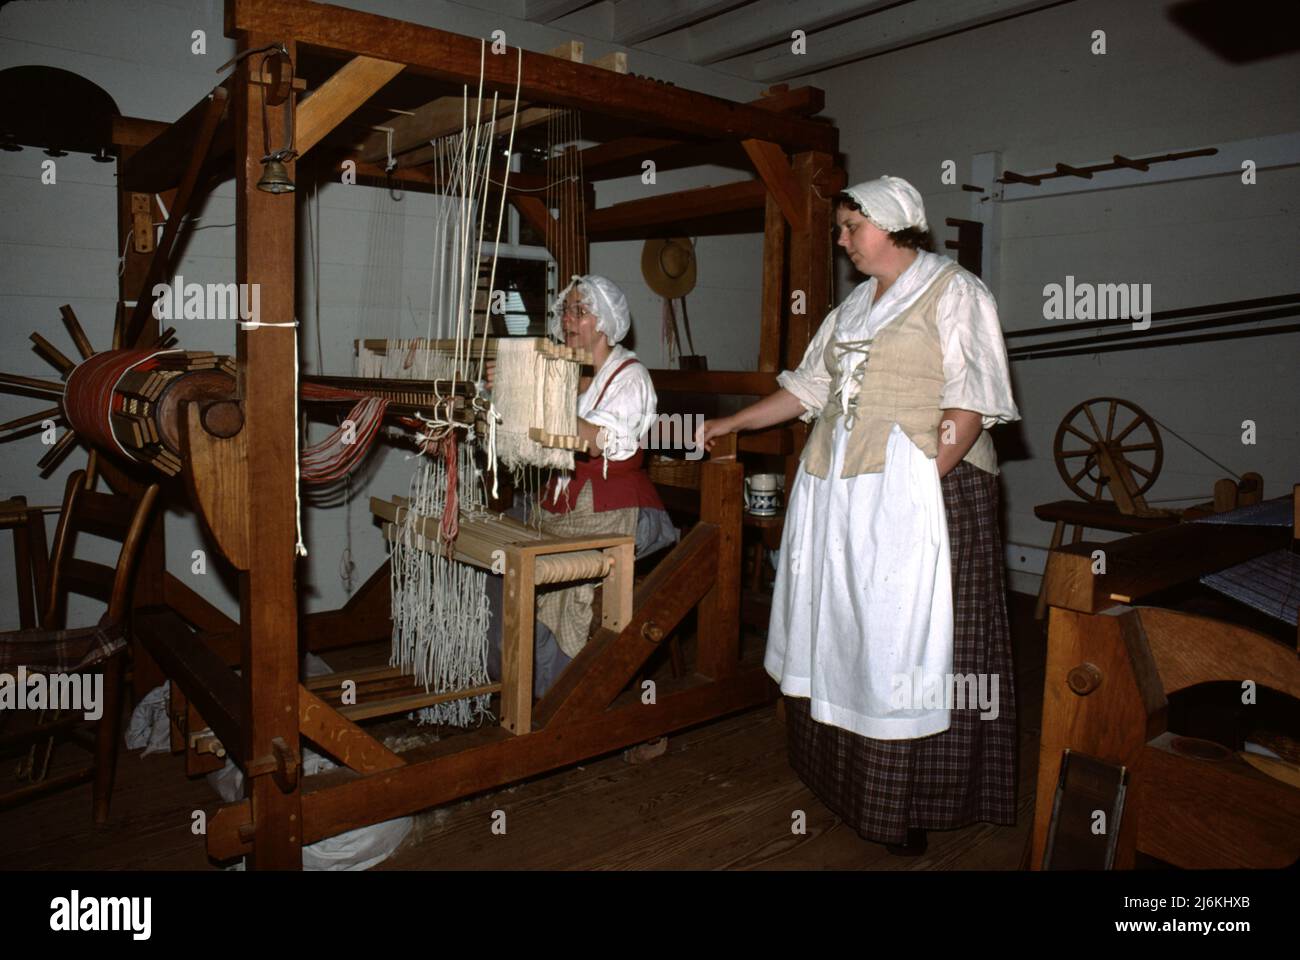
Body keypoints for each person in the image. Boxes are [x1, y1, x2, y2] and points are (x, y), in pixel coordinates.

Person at [698, 175, 1020, 854]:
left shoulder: (956, 291)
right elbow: (807, 388)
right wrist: (731, 424)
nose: (842, 242)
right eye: (842, 228)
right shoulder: (850, 309)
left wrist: (912, 491)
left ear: (894, 226)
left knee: (918, 643)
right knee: (850, 628)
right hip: (844, 494)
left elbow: (967, 406)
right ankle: (843, 781)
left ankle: (913, 803)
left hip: (933, 493)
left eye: (852, 227)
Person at [487, 275, 675, 696]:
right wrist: (507, 390)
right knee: (503, 559)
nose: (568, 319)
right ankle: (519, 687)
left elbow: (606, 442)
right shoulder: (564, 371)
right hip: (564, 503)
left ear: (605, 322)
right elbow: (531, 427)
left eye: (580, 311)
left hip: (616, 508)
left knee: (555, 579)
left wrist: (535, 396)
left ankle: (564, 699)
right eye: (565, 310)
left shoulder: (631, 376)